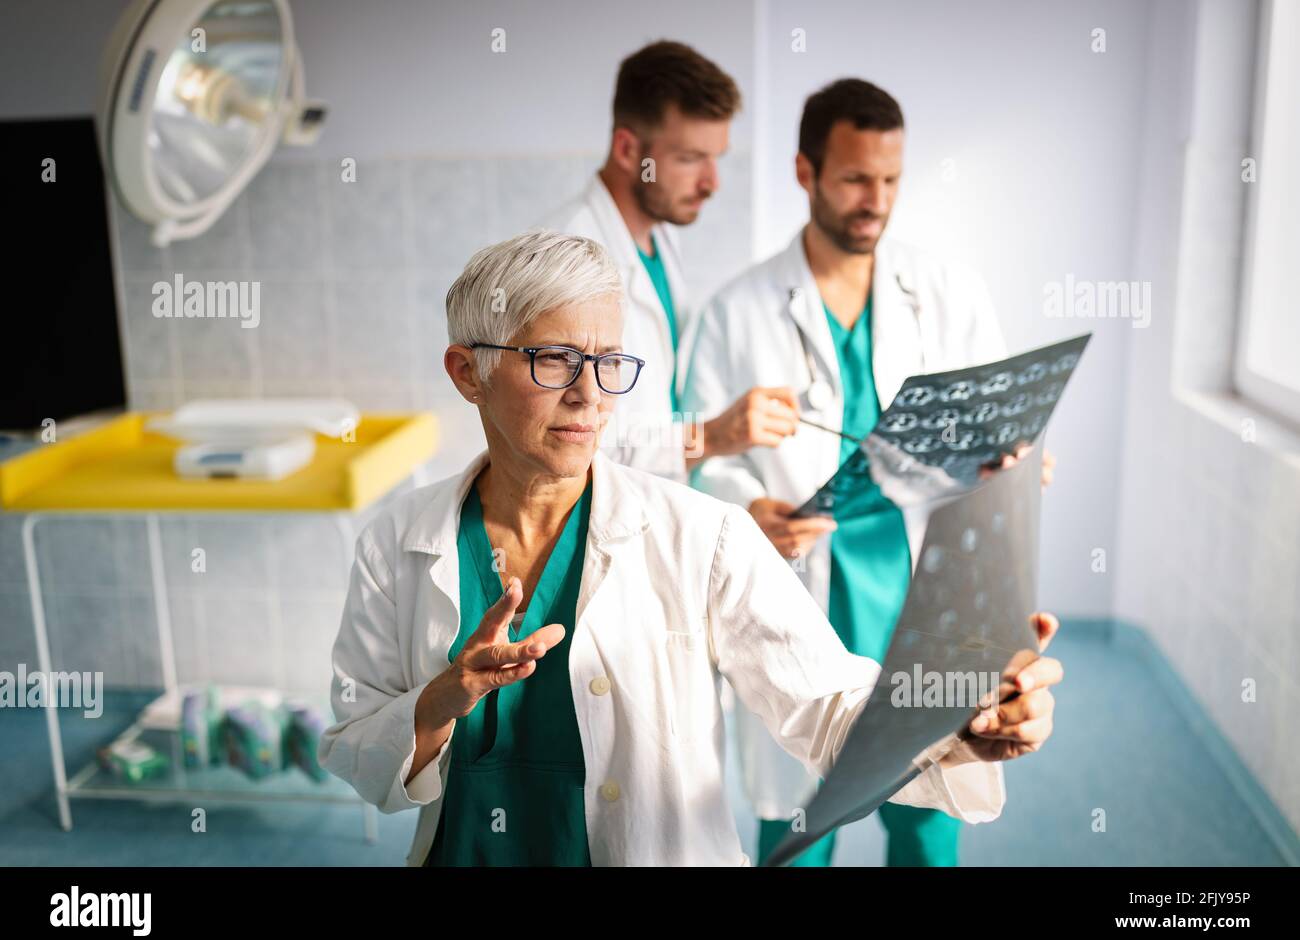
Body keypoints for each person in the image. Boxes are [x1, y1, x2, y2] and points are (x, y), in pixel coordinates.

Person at [318, 229, 1064, 866]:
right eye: (552, 359)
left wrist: (958, 719)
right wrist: (443, 699)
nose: (590, 394)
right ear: (467, 373)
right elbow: (358, 752)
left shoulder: (701, 537)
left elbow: (828, 706)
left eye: (608, 360)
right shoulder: (395, 544)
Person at [682, 79, 1056, 867]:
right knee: (799, 822)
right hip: (801, 593)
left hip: (924, 598)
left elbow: (996, 432)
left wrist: (1012, 463)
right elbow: (701, 465)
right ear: (804, 171)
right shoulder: (734, 311)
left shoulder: (949, 295)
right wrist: (749, 509)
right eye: (854, 178)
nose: (874, 200)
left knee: (933, 807)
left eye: (889, 180)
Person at [539, 40, 798, 483]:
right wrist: (713, 435)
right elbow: (572, 444)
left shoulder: (658, 236)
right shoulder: (565, 258)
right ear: (627, 151)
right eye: (691, 158)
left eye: (716, 158)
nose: (711, 183)